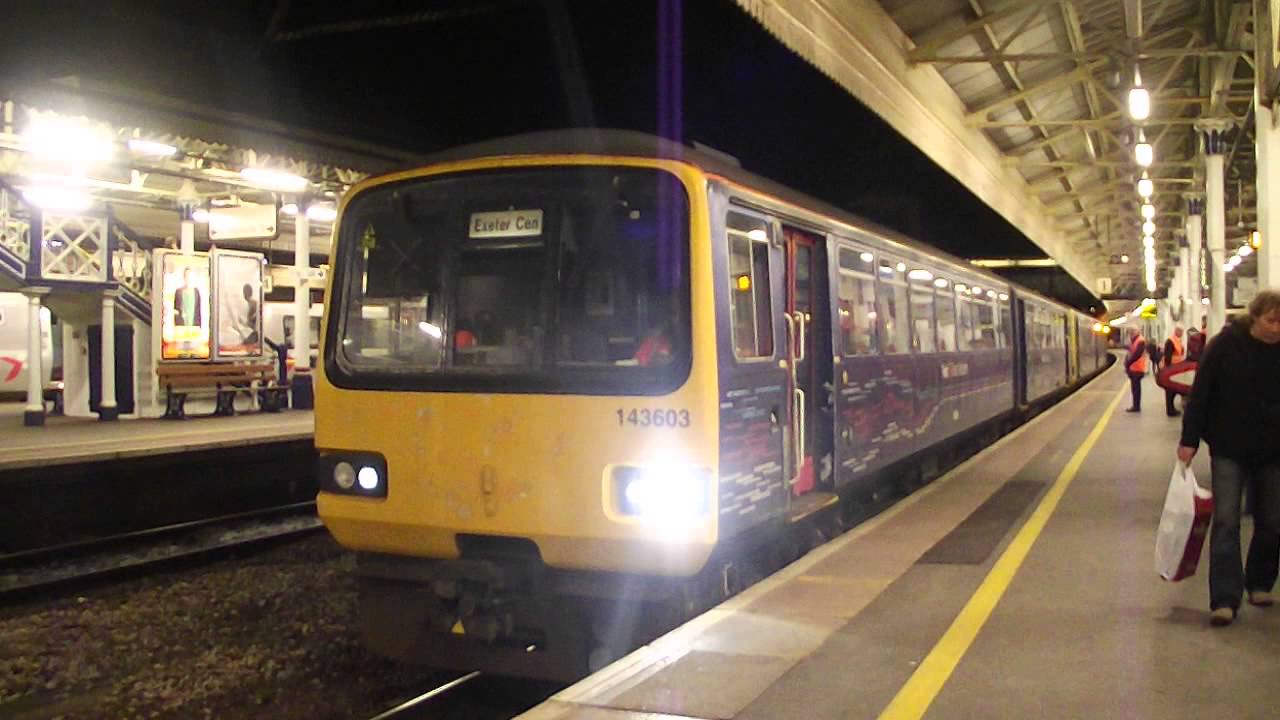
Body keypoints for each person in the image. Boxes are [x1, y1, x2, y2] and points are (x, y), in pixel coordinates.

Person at [1177, 290, 1280, 627]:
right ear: (1255, 317)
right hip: (1229, 448)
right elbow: (1201, 393)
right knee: (1226, 521)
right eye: (1271, 320)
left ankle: (1260, 583)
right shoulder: (1224, 346)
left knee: (1272, 520)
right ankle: (1224, 598)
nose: (1277, 328)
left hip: (1274, 450)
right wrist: (1189, 440)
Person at [1163, 325, 1185, 417]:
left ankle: (1172, 409)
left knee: (1173, 391)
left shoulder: (1177, 341)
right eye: (1181, 332)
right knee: (1170, 391)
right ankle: (1170, 410)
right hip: (1172, 370)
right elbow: (1167, 357)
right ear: (1177, 331)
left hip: (1176, 369)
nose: (1182, 334)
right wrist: (1169, 370)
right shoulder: (1171, 341)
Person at [1123, 329, 1148, 412]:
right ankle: (1135, 405)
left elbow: (1136, 355)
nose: (1131, 334)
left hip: (1138, 369)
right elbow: (1130, 353)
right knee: (1135, 388)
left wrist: (1128, 363)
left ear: (1137, 332)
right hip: (1134, 368)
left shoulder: (1140, 341)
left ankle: (1136, 407)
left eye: (1132, 332)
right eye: (1130, 332)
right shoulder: (1134, 340)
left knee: (1136, 389)